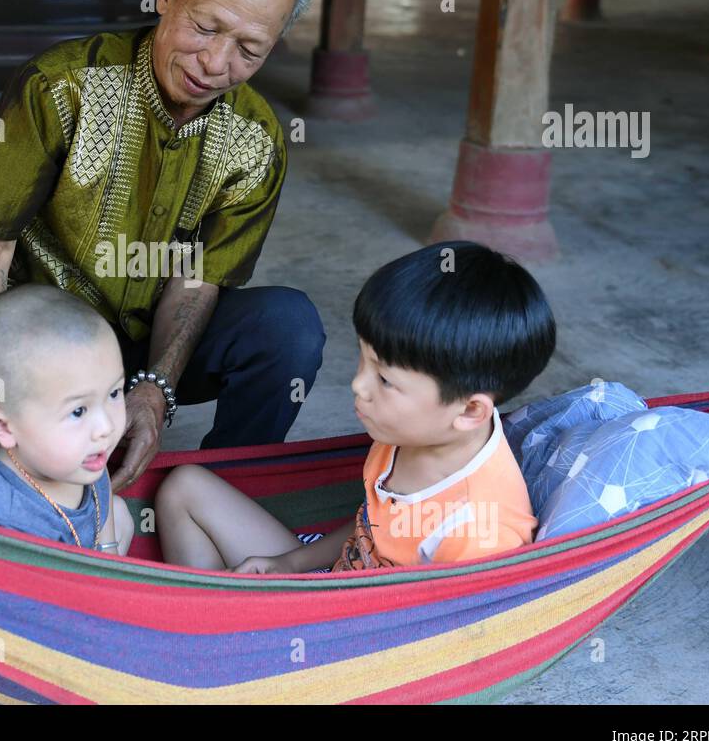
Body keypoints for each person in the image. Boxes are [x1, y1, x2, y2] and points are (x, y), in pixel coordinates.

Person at [0, 0, 326, 495]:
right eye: (206, 27)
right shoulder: (62, 87)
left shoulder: (257, 141)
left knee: (288, 328)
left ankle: (222, 493)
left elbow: (200, 280)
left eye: (250, 49)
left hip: (153, 338)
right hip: (53, 345)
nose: (216, 63)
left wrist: (155, 389)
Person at [155, 241, 556, 573]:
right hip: (333, 576)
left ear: (470, 412)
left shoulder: (477, 533)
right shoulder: (410, 430)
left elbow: (431, 642)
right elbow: (375, 522)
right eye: (364, 360)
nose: (358, 385)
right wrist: (290, 563)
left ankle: (214, 633)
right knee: (182, 485)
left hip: (354, 634)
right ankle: (210, 614)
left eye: (384, 379)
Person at [0, 286, 133, 554]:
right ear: (3, 427)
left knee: (119, 510)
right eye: (78, 411)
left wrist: (109, 556)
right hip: (25, 585)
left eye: (114, 393)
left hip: (84, 557)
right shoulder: (0, 524)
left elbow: (105, 515)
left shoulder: (83, 453)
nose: (106, 428)